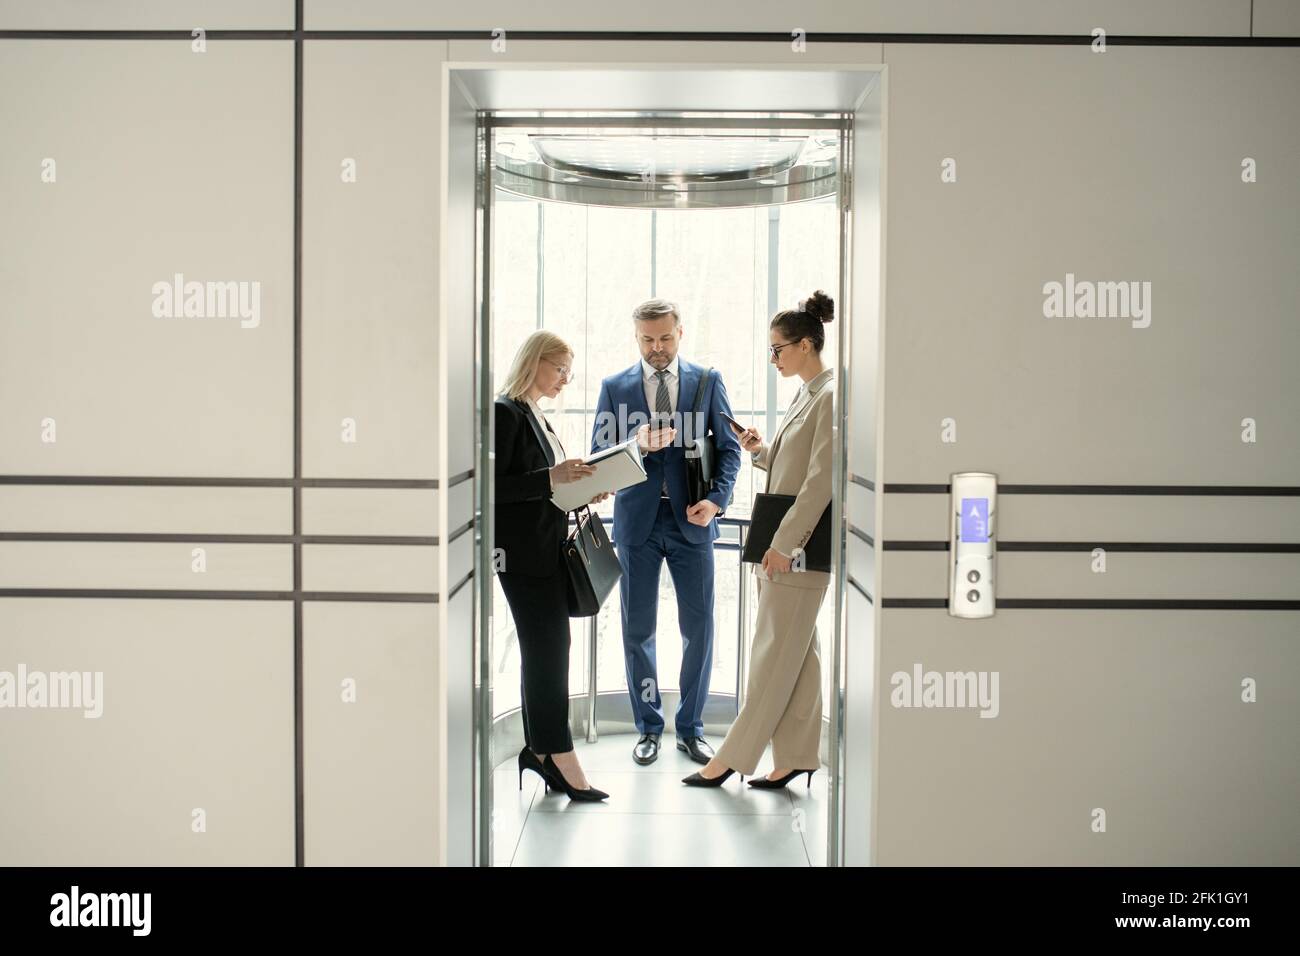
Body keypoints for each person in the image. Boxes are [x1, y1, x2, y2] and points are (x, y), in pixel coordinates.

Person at [682, 290, 835, 789]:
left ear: (807, 345)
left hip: (799, 545)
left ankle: (729, 758)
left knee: (772, 653)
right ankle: (798, 755)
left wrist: (786, 543)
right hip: (790, 536)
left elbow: (820, 482)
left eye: (779, 349)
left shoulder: (832, 395)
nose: (773, 358)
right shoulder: (810, 393)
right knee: (800, 652)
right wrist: (761, 450)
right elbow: (797, 468)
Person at [590, 298, 742, 767]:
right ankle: (649, 726)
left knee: (698, 630)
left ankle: (691, 728)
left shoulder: (707, 381)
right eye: (648, 340)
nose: (657, 348)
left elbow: (731, 451)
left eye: (665, 338)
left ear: (681, 333)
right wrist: (634, 443)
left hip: (692, 523)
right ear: (636, 337)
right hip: (636, 524)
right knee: (638, 631)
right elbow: (597, 454)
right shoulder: (614, 387)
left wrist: (717, 501)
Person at [495, 330, 610, 801]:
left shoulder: (534, 414)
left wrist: (581, 488)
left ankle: (541, 750)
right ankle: (556, 753)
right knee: (548, 649)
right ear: (534, 361)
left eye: (570, 371)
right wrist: (552, 477)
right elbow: (493, 487)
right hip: (522, 555)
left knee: (545, 648)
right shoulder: (506, 412)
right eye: (559, 368)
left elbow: (542, 490)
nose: (566, 379)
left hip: (542, 549)